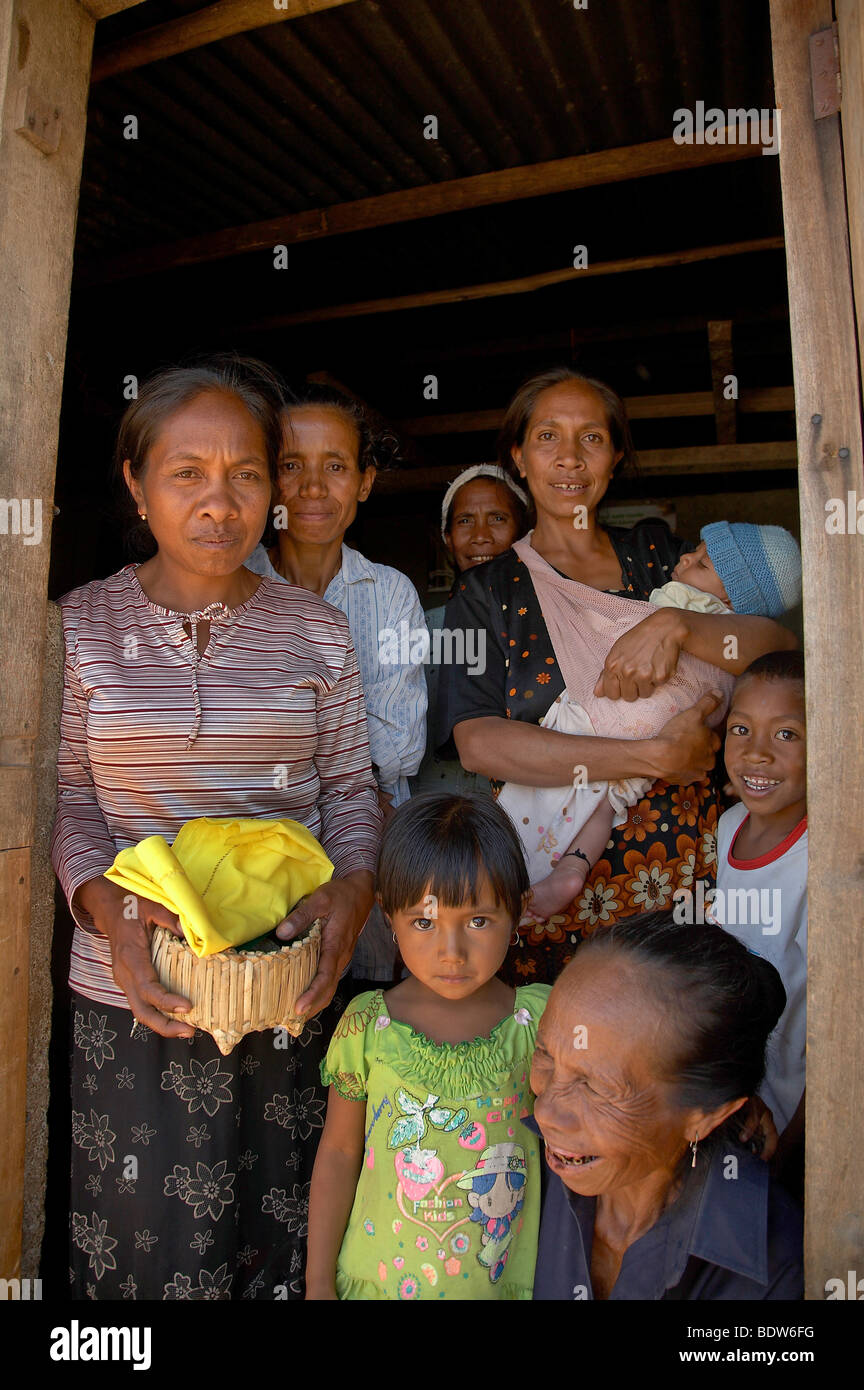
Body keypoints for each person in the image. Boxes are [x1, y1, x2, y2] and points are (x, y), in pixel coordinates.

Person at [51, 358, 382, 1301]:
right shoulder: (80, 629)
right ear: (136, 484)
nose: (219, 503)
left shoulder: (315, 632)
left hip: (286, 984)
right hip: (129, 991)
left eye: (246, 473)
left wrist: (353, 895)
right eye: (186, 474)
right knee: (142, 1251)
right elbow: (70, 797)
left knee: (279, 1235)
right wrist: (107, 916)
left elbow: (352, 794)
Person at [436, 365, 798, 984]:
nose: (570, 458)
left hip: (681, 872)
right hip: (547, 870)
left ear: (616, 456)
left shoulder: (658, 553)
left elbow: (773, 649)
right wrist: (652, 756)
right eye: (547, 437)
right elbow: (478, 743)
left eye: (592, 439)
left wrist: (675, 627)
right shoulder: (483, 592)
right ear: (519, 457)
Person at [305, 792, 550, 1301]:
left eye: (479, 921)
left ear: (520, 910)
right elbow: (339, 1152)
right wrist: (318, 1283)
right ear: (387, 916)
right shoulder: (367, 1027)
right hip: (380, 1285)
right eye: (424, 922)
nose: (452, 953)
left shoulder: (538, 1025)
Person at [504, 522, 802, 923]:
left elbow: (784, 645)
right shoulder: (733, 644)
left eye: (702, 562)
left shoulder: (680, 600)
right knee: (607, 801)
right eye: (693, 552)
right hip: (660, 735)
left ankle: (498, 879)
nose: (684, 558)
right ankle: (572, 869)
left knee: (531, 800)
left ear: (732, 594)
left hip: (612, 716)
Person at [244, 383, 428, 986]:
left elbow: (401, 750)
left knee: (352, 1015)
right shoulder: (231, 580)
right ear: (266, 478)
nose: (314, 488)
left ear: (365, 482)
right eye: (291, 466)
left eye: (337, 467)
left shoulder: (392, 592)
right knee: (249, 990)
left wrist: (293, 729)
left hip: (367, 853)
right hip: (253, 849)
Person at [529, 912, 803, 1300]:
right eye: (544, 1053)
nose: (544, 1113)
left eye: (597, 1088)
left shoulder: (773, 1268)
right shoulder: (514, 1165)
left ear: (707, 1116)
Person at [712, 650, 807, 1166]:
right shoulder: (727, 828)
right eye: (741, 729)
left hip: (795, 1121)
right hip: (734, 1110)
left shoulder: (823, 859)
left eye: (786, 734)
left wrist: (795, 1152)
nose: (757, 753)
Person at [410, 465, 528, 798]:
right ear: (447, 537)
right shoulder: (419, 629)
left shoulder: (547, 627)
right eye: (465, 521)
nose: (481, 535)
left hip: (532, 822)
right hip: (436, 819)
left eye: (497, 518)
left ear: (525, 533)